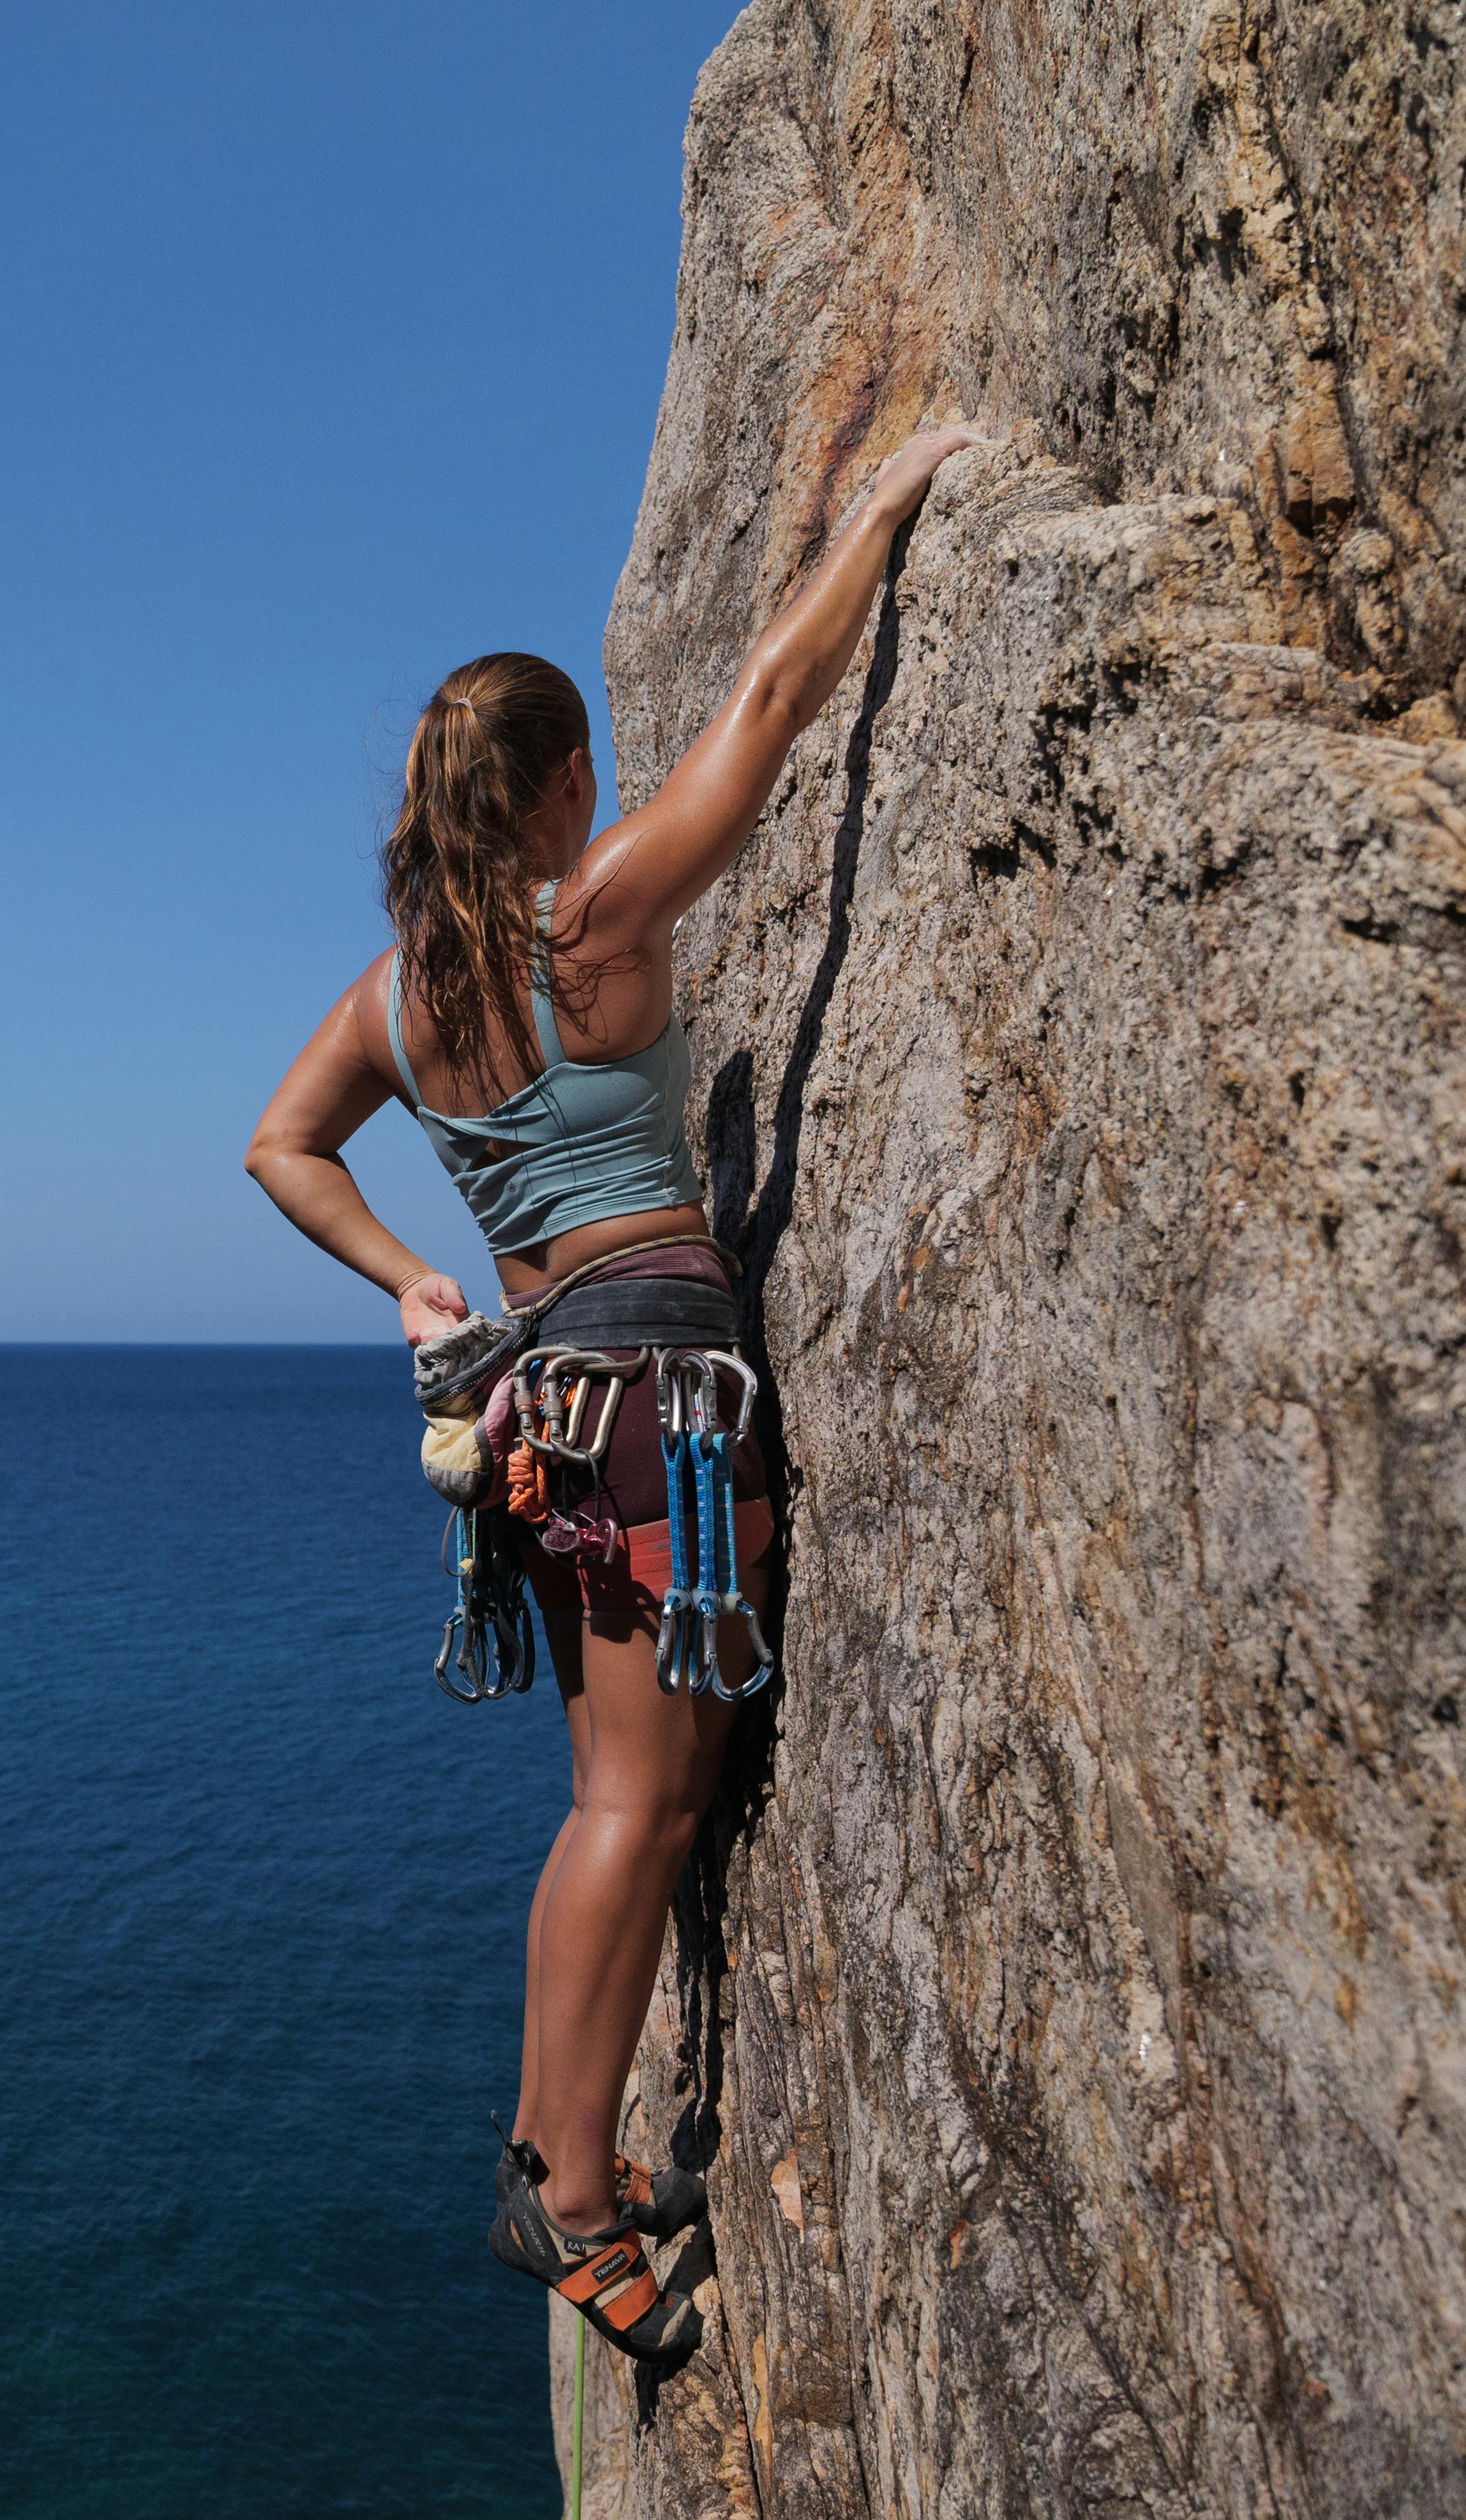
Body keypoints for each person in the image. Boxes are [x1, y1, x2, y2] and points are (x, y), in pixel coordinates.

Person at [242, 424, 983, 2366]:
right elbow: (773, 694)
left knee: (614, 1802)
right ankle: (561, 2194)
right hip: (652, 1389)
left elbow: (277, 1149)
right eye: (591, 777)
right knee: (636, 1815)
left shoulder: (399, 998)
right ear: (563, 782)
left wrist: (417, 1278)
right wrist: (881, 508)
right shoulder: (597, 913)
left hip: (541, 1407)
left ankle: (547, 2158)